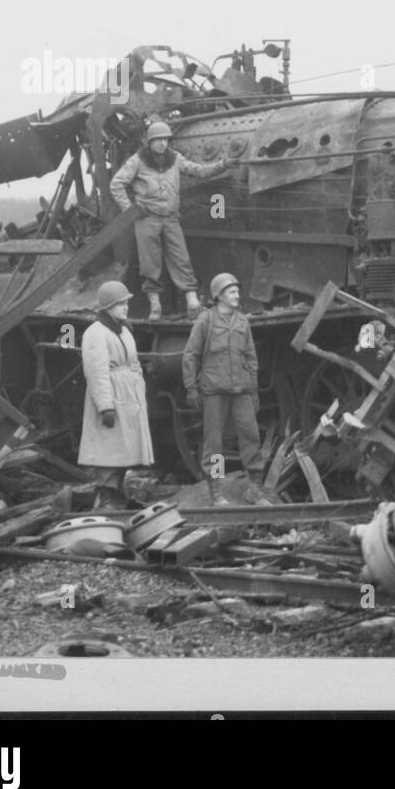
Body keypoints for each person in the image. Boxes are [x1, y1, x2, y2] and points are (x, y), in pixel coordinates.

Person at [109, 121, 230, 320]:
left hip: (171, 218)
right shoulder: (137, 160)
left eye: (165, 139)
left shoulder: (174, 159)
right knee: (150, 264)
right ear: (149, 142)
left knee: (181, 259)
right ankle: (155, 307)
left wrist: (223, 164)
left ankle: (193, 303)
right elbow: (116, 184)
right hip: (147, 219)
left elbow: (199, 171)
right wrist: (130, 210)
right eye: (158, 140)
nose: (163, 143)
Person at [182, 272, 268, 505]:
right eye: (232, 292)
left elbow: (251, 359)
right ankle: (217, 490)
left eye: (237, 291)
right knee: (215, 443)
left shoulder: (242, 322)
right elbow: (191, 355)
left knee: (251, 436)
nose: (237, 295)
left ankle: (255, 487)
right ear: (219, 296)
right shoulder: (206, 321)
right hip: (214, 391)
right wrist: (191, 388)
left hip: (242, 390)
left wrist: (254, 391)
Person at [79, 280, 154, 509]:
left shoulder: (124, 330)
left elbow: (134, 362)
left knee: (123, 449)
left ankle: (117, 496)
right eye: (121, 303)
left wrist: (138, 386)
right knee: (109, 448)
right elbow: (96, 373)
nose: (126, 307)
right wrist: (105, 406)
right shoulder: (96, 333)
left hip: (128, 397)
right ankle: (107, 498)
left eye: (126, 303)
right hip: (111, 397)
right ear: (108, 307)